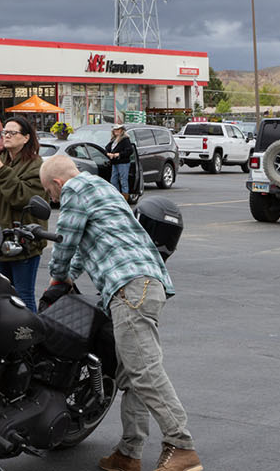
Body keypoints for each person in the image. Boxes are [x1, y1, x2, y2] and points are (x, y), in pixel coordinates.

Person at [38, 155, 201, 471]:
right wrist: (70, 275)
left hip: (129, 288)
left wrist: (56, 279)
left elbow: (65, 238)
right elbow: (86, 248)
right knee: (131, 375)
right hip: (141, 286)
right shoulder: (104, 189)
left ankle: (182, 447)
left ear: (57, 183)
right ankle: (129, 454)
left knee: (145, 371)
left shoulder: (76, 189)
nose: (52, 199)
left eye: (50, 192)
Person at [0, 116, 48, 311]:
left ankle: (31, 338)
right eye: (5, 132)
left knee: (23, 295)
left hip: (24, 241)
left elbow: (22, 198)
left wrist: (2, 171)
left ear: (26, 138)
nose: (7, 136)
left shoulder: (36, 165)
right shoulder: (0, 160)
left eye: (13, 133)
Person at [106, 124, 137, 200]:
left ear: (122, 130)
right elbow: (107, 148)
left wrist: (118, 154)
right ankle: (117, 196)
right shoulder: (113, 140)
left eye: (118, 129)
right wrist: (108, 153)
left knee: (123, 181)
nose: (116, 131)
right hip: (115, 162)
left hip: (123, 163)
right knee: (113, 180)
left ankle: (124, 198)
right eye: (115, 130)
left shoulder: (125, 139)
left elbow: (129, 151)